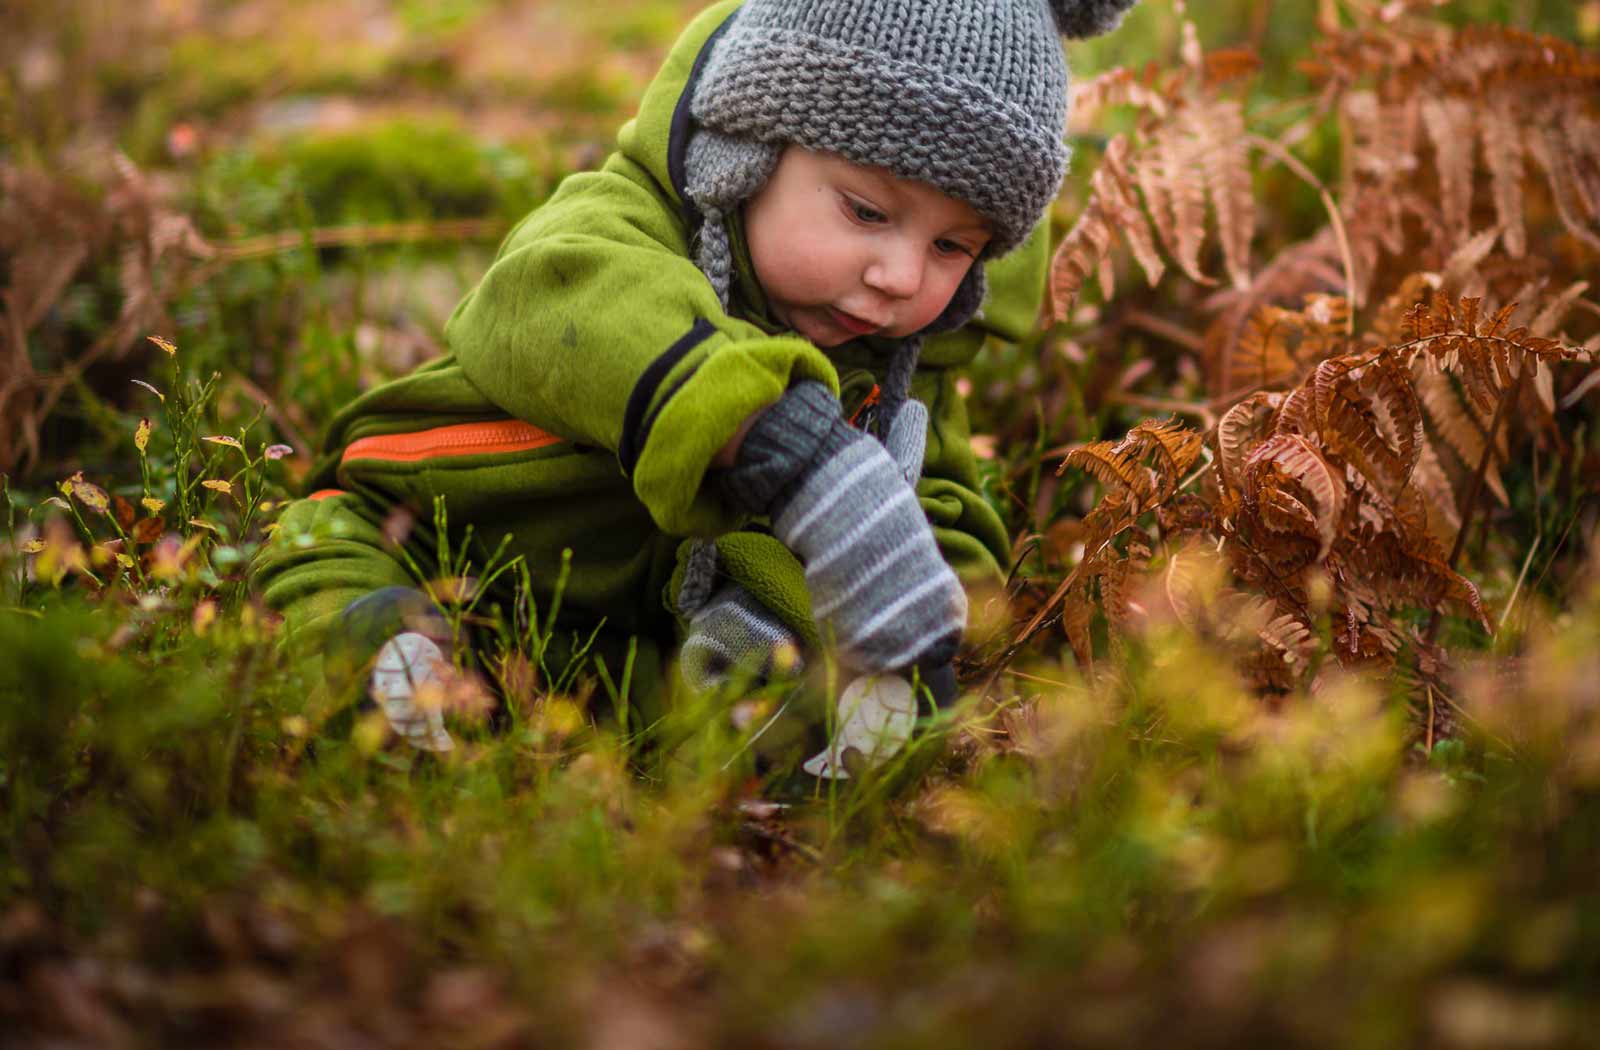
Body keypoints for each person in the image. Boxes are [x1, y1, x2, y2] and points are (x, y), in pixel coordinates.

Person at [251, 0, 1138, 765]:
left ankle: (618, 731)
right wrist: (784, 445)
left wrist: (922, 625)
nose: (902, 276)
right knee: (323, 556)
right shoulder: (622, 227)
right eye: (867, 212)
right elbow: (565, 301)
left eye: (954, 246)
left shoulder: (899, 354)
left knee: (753, 703)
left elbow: (933, 499)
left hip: (627, 635)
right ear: (743, 151)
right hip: (440, 529)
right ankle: (383, 657)